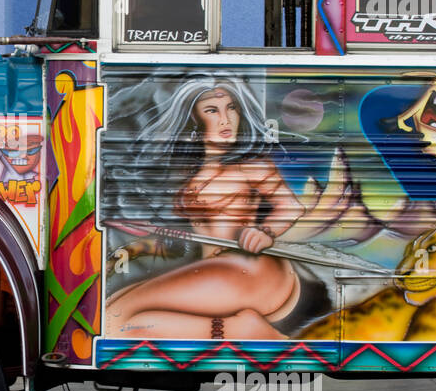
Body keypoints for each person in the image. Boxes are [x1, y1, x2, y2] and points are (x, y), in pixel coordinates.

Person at [106, 77, 305, 341]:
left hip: (247, 269)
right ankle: (236, 328)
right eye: (212, 110)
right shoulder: (189, 174)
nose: (226, 119)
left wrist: (265, 231)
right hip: (216, 271)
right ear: (194, 122)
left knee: (114, 318)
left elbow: (291, 206)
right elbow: (186, 241)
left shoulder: (250, 166)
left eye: (231, 108)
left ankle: (247, 331)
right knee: (121, 320)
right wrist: (132, 250)